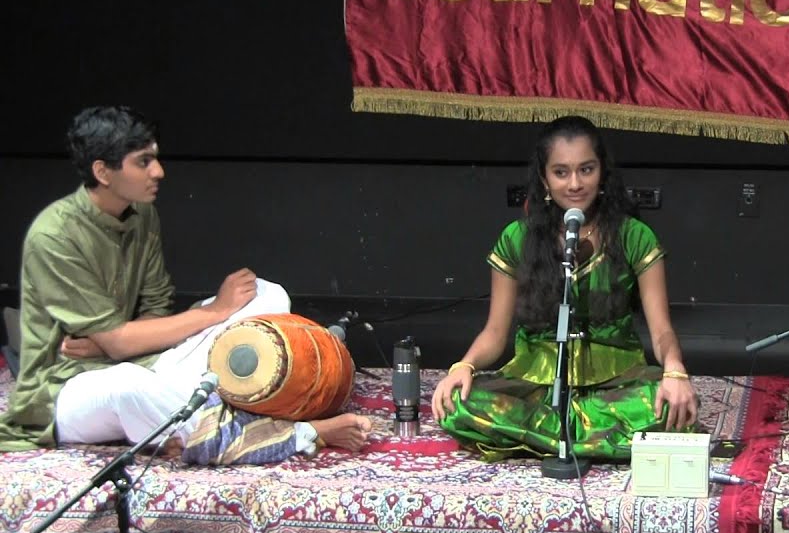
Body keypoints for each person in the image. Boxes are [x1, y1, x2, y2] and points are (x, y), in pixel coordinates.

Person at [0, 106, 371, 463]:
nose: (158, 171)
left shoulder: (141, 215)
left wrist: (116, 340)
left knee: (265, 294)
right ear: (103, 171)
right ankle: (297, 434)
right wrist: (214, 312)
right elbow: (117, 344)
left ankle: (175, 422)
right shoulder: (54, 235)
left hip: (148, 360)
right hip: (66, 390)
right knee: (126, 384)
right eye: (143, 162)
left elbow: (150, 318)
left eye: (156, 158)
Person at [431, 116, 697, 461]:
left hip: (616, 384)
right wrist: (462, 367)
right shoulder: (517, 239)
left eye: (586, 170)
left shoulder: (634, 236)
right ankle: (593, 439)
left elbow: (662, 332)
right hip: (536, 384)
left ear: (602, 173)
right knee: (456, 406)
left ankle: (547, 437)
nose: (575, 183)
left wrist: (675, 371)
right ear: (544, 178)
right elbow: (495, 333)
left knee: (673, 409)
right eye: (561, 172)